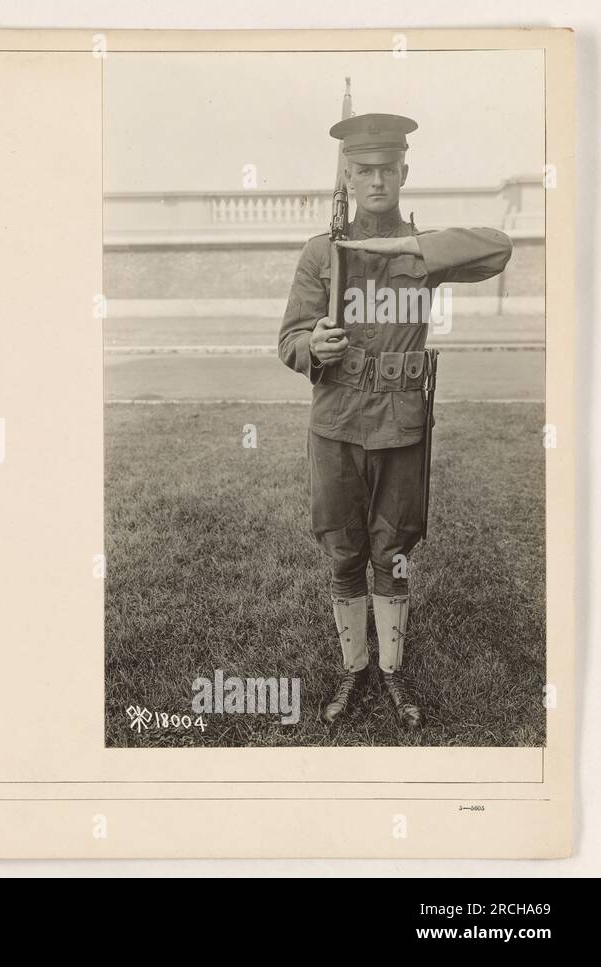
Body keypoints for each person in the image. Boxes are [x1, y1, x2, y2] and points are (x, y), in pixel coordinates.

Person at [277, 113, 513, 729]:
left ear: (404, 172)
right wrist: (313, 346)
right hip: (336, 421)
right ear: (349, 178)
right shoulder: (322, 253)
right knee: (343, 547)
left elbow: (498, 247)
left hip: (402, 424)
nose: (377, 180)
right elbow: (289, 340)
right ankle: (353, 667)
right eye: (365, 171)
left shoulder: (425, 251)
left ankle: (392, 670)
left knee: (395, 548)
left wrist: (404, 247)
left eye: (388, 169)